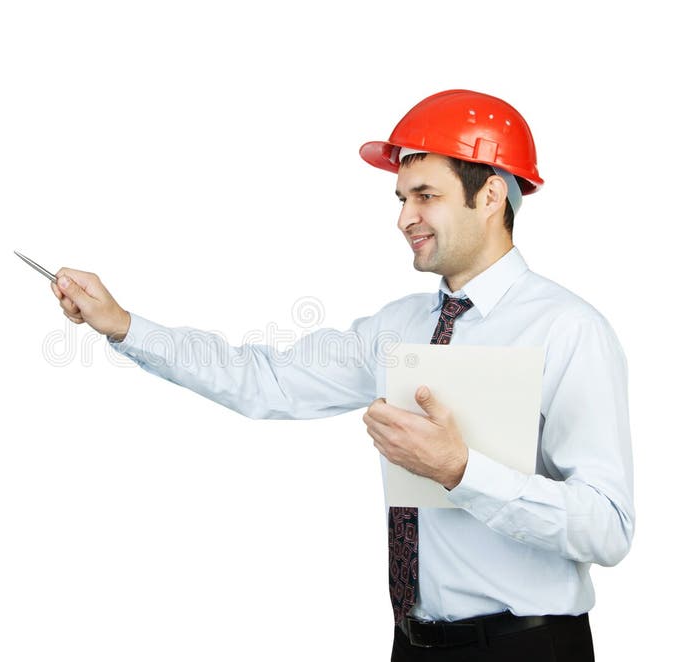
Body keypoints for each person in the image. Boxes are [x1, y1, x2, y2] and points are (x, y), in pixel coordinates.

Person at [48, 89, 634, 661]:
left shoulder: (568, 330)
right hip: (413, 645)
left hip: (528, 648)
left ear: (490, 195)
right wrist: (123, 325)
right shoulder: (398, 327)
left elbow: (607, 528)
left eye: (425, 196)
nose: (405, 218)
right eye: (401, 198)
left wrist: (460, 470)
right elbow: (266, 380)